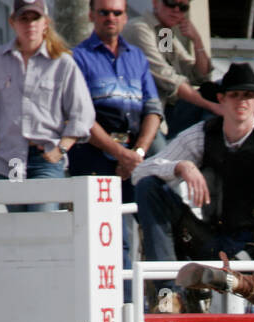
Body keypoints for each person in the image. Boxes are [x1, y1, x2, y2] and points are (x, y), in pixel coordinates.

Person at [132, 62, 254, 309]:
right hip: (210, 240)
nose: (241, 101)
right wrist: (182, 166)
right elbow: (140, 171)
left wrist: (245, 257)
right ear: (221, 99)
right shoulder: (202, 134)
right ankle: (168, 297)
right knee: (150, 187)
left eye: (248, 95)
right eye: (234, 95)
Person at [68, 0, 161, 281]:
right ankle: (122, 309)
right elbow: (80, 116)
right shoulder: (77, 57)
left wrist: (138, 153)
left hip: (135, 155)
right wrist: (122, 154)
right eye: (104, 12)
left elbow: (154, 110)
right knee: (111, 238)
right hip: (94, 155)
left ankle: (163, 299)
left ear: (125, 17)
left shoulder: (138, 58)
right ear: (91, 15)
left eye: (117, 12)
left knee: (156, 228)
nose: (111, 17)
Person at [0, 0, 94, 212]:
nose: (30, 25)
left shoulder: (62, 62)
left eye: (35, 18)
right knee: (16, 228)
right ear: (12, 22)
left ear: (46, 22)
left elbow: (83, 112)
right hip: (12, 158)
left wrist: (61, 148)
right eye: (23, 19)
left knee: (43, 223)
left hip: (45, 156)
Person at [123, 0, 217, 142]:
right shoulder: (140, 28)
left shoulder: (163, 32)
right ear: (155, 3)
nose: (176, 10)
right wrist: (213, 107)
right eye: (171, 3)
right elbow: (168, 79)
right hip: (139, 113)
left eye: (183, 7)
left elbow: (199, 75)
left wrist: (197, 40)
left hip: (164, 110)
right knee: (162, 159)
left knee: (215, 92)